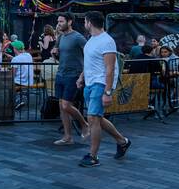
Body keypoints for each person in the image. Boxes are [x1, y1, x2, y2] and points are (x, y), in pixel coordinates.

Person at [76, 10, 130, 167]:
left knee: (92, 118)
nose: (84, 24)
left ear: (89, 23)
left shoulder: (107, 41)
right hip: (90, 83)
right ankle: (122, 141)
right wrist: (81, 77)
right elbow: (90, 63)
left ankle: (93, 156)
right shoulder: (91, 40)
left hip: (101, 84)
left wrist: (107, 92)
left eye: (85, 22)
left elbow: (110, 68)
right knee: (96, 117)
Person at [51, 13, 89, 146]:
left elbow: (89, 54)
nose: (59, 24)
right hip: (60, 74)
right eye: (58, 21)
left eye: (61, 21)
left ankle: (84, 124)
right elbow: (61, 56)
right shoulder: (61, 37)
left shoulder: (78, 37)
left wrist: (82, 75)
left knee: (67, 105)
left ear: (70, 22)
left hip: (73, 75)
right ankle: (67, 137)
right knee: (62, 107)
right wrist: (54, 54)